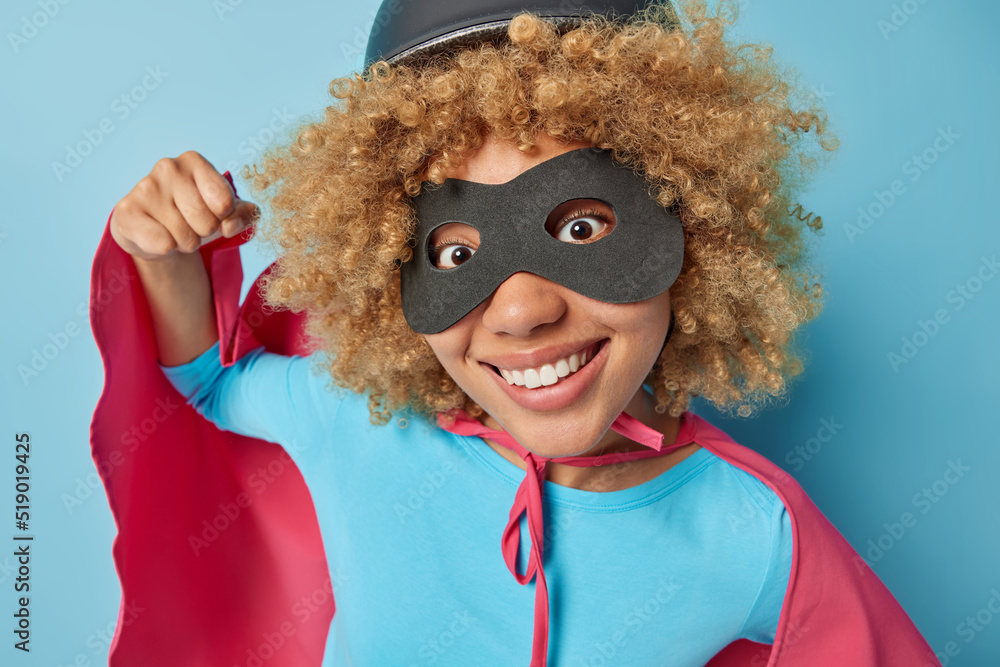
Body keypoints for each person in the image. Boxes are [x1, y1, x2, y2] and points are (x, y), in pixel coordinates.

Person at [89, 1, 941, 665]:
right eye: (457, 250)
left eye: (581, 229)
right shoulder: (356, 419)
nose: (521, 310)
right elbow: (208, 383)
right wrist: (162, 250)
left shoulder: (756, 536)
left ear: (697, 228)